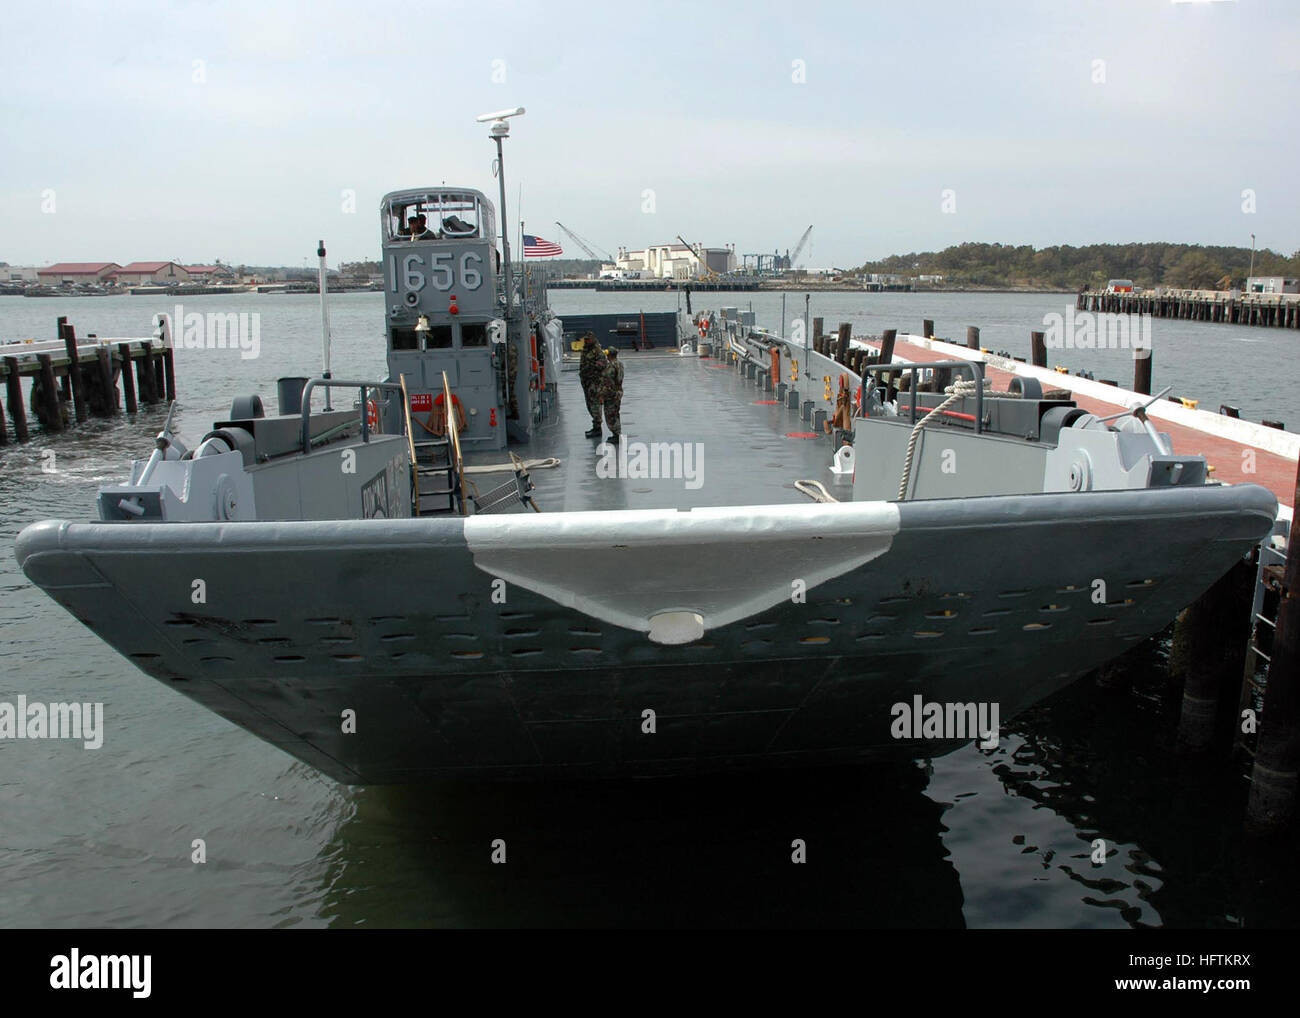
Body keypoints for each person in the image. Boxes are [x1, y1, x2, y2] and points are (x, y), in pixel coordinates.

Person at [579, 333, 605, 437]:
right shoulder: (586, 350)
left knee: (595, 405)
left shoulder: (597, 350)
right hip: (586, 382)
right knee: (589, 404)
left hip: (594, 382)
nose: (586, 341)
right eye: (585, 340)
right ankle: (595, 426)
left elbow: (603, 363)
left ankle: (597, 428)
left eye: (588, 340)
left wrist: (592, 367)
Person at [600, 347, 623, 443]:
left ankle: (616, 435)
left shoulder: (611, 367)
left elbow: (608, 383)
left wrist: (602, 395)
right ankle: (617, 434)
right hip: (618, 392)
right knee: (616, 413)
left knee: (610, 415)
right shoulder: (619, 364)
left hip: (611, 394)